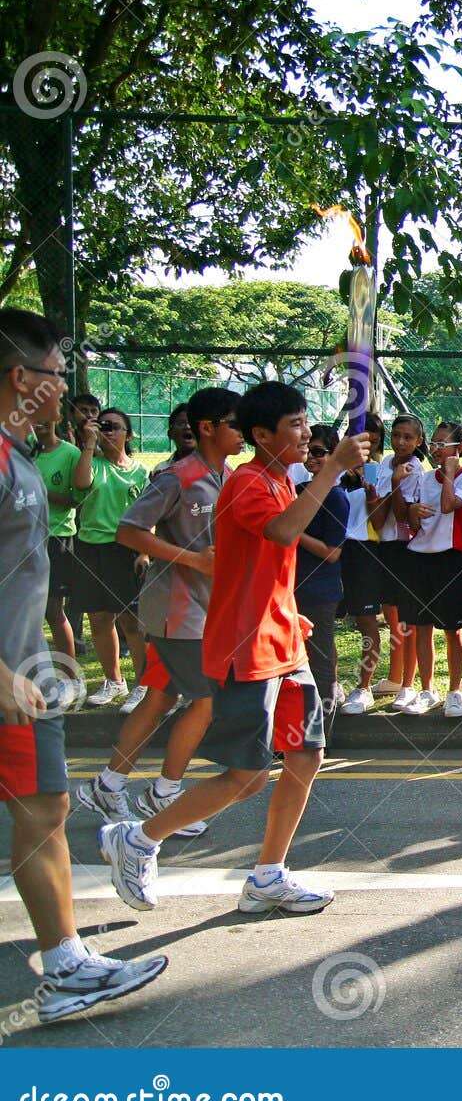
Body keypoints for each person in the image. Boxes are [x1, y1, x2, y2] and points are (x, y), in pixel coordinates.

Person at [97, 380, 370, 914]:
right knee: (247, 776)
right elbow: (284, 535)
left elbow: (268, 567)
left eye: (306, 420)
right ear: (262, 434)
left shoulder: (277, 480)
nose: (306, 431)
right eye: (294, 424)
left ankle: (268, 875)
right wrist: (332, 468)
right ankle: (137, 839)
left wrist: (289, 615)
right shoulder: (248, 482)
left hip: (283, 642)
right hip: (247, 650)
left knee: (307, 757)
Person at [1, 308, 168, 1022]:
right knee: (44, 805)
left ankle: (66, 957)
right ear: (21, 378)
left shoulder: (18, 454)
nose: (63, 386)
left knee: (45, 804)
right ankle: (66, 964)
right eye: (56, 374)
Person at [76, 387, 241, 838]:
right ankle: (165, 794)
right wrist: (191, 560)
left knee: (161, 698)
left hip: (202, 610)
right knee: (208, 701)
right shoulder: (176, 477)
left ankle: (108, 784)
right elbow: (129, 530)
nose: (243, 431)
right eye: (235, 422)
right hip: (177, 613)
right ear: (208, 428)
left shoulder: (226, 474)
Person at [397, 422, 462, 716]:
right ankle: (426, 689)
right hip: (419, 557)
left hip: (451, 558)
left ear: (458, 449)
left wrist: (448, 473)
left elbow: (449, 506)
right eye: (432, 443)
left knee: (452, 629)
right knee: (421, 628)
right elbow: (412, 520)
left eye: (441, 444)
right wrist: (413, 512)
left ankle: (455, 690)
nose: (434, 449)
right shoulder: (422, 478)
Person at [71, 406, 149, 711]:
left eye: (114, 426)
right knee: (100, 619)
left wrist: (144, 550)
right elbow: (80, 484)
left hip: (125, 549)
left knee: (132, 622)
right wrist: (89, 443)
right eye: (103, 426)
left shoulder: (140, 471)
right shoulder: (93, 463)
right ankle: (115, 681)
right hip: (91, 547)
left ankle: (143, 684)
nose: (108, 431)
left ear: (128, 434)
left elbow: (147, 515)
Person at [293, 425, 350, 719]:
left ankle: (323, 733)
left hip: (320, 590)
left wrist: (292, 531)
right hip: (292, 588)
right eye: (308, 451)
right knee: (295, 663)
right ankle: (294, 732)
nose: (312, 458)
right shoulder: (301, 490)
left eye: (319, 452)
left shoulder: (336, 497)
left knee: (321, 662)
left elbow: (332, 552)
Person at [369, 413, 424, 709]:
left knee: (407, 620)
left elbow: (404, 516)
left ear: (418, 441)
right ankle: (393, 676)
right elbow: (378, 520)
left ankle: (408, 684)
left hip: (407, 549)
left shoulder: (416, 468)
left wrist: (394, 487)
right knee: (391, 616)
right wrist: (389, 484)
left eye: (407, 437)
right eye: (396, 435)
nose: (400, 442)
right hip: (386, 547)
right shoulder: (384, 466)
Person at [336, 417, 388, 716]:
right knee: (322, 619)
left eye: (374, 437)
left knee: (366, 620)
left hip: (364, 550)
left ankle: (364, 686)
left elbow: (379, 521)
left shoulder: (377, 471)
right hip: (329, 551)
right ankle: (329, 682)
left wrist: (370, 491)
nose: (367, 442)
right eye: (359, 435)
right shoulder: (329, 468)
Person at [30, 411, 82, 706]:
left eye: (45, 418)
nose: (39, 423)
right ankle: (34, 677)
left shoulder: (70, 453)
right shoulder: (22, 448)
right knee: (26, 615)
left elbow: (77, 498)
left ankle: (70, 679)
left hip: (57, 538)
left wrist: (42, 491)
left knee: (53, 611)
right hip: (23, 539)